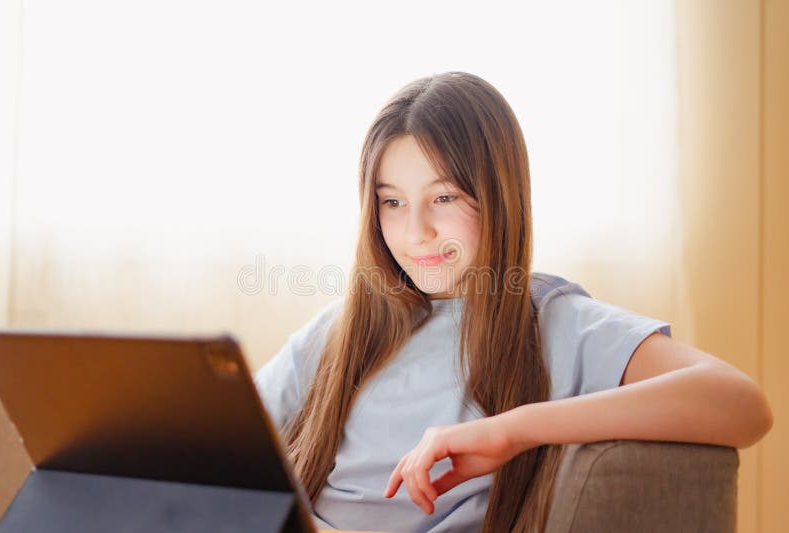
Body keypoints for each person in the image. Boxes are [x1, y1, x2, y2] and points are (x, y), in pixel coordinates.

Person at [254, 72, 773, 533]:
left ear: (499, 197)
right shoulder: (341, 331)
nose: (416, 232)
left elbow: (741, 404)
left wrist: (512, 429)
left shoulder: (554, 323)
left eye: (444, 197)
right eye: (393, 202)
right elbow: (221, 451)